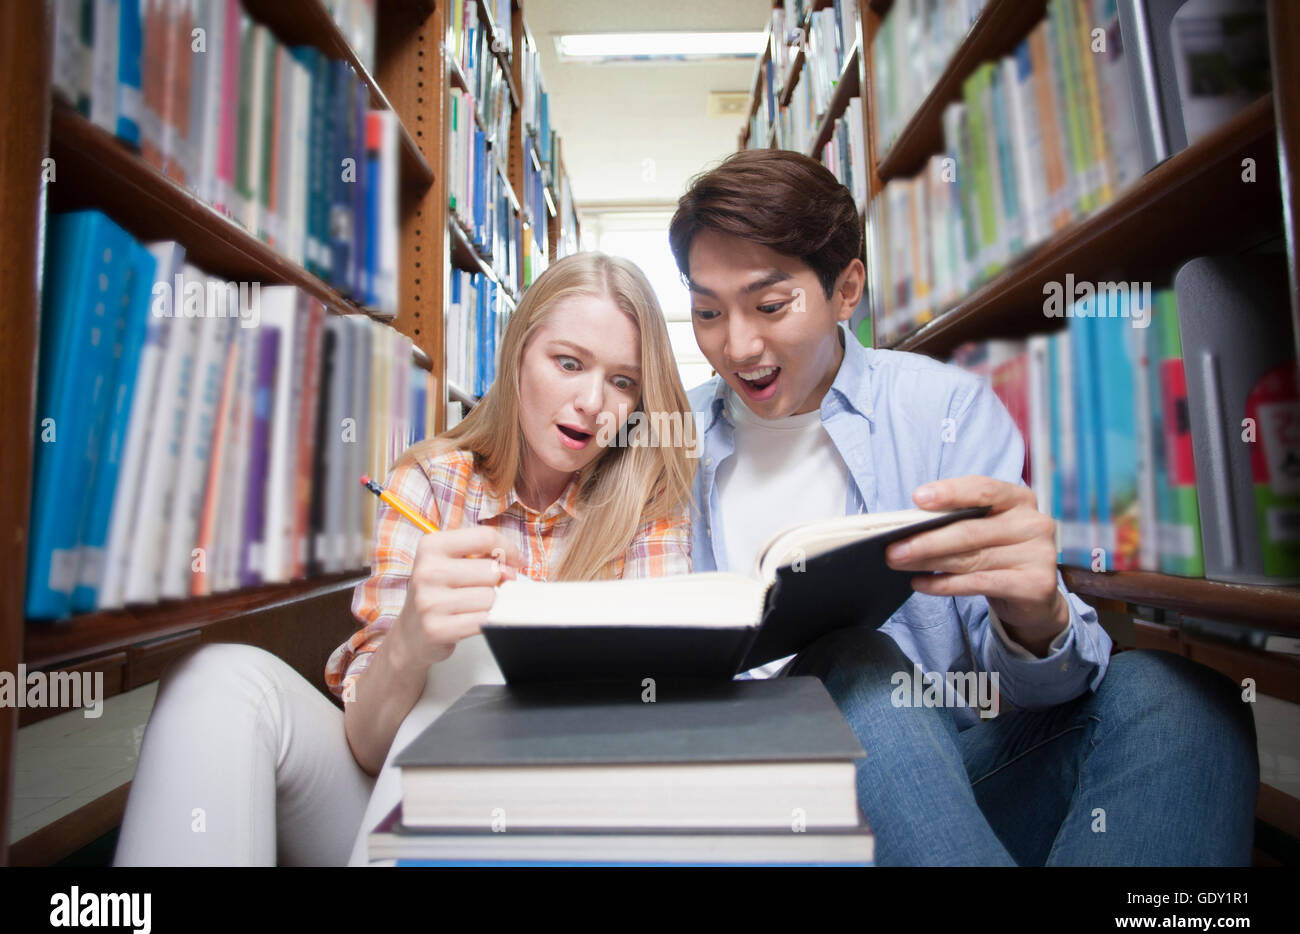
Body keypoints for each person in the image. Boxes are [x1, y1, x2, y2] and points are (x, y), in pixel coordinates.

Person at [669, 149, 1259, 865]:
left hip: (934, 795)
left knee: (1179, 699)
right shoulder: (668, 440)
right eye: (706, 312)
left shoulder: (942, 407)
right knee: (851, 660)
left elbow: (1039, 687)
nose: (736, 346)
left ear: (846, 287)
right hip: (754, 814)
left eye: (769, 306)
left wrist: (1036, 617)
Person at [114, 251, 696, 865]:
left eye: (622, 381)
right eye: (569, 363)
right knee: (215, 681)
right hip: (402, 800)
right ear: (518, 355)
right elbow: (368, 750)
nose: (591, 402)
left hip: (569, 817)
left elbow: (650, 724)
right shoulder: (430, 481)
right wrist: (413, 642)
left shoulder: (649, 500)